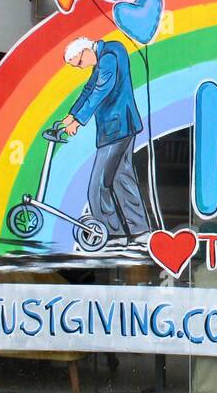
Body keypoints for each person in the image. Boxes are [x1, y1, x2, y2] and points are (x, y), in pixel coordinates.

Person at [60, 36, 151, 245]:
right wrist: (71, 115)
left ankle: (113, 234)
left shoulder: (107, 58)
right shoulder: (108, 52)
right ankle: (138, 231)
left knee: (98, 184)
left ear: (85, 51)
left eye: (80, 63)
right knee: (121, 179)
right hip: (124, 125)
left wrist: (78, 121)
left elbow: (100, 90)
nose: (82, 67)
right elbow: (89, 89)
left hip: (115, 127)